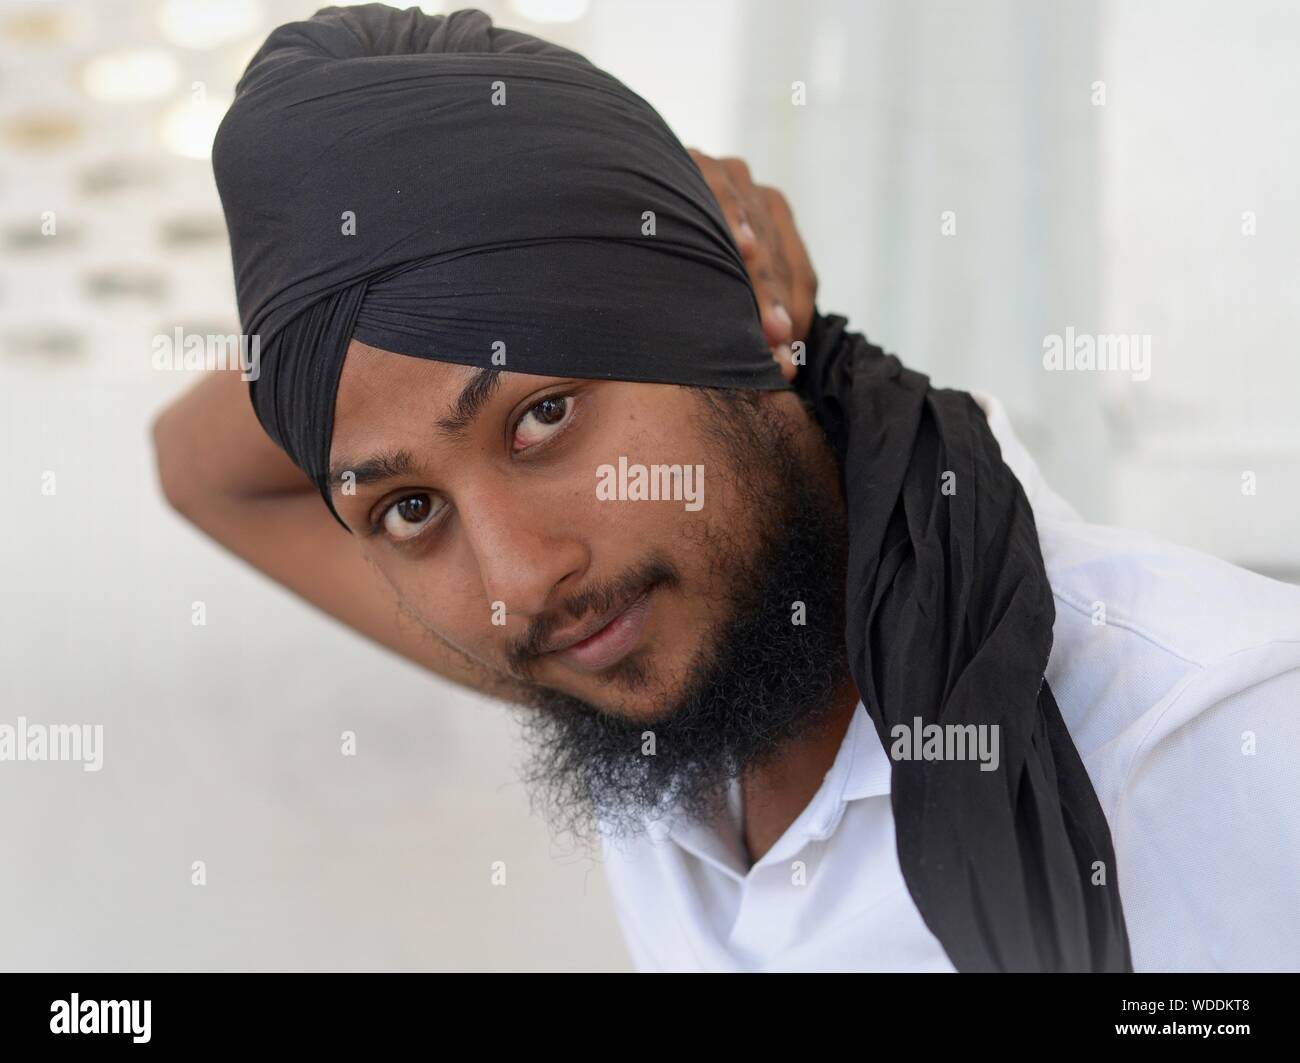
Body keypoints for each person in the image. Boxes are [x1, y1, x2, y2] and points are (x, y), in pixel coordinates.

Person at [153, 4, 1300, 973]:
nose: (515, 579)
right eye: (410, 509)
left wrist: (653, 208)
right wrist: (331, 278)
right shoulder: (643, 678)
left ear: (730, 314)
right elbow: (200, 467)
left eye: (542, 416)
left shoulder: (1223, 726)